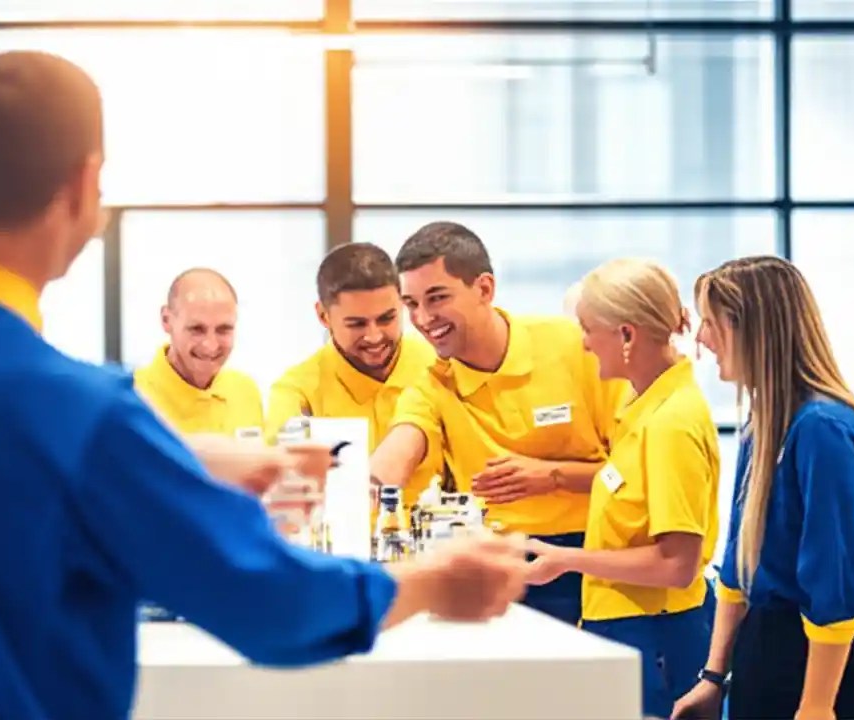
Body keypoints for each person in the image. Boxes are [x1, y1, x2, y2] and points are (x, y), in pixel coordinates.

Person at [0, 51, 535, 719]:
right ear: (85, 187)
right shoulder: (78, 412)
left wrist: (182, 459)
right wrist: (435, 581)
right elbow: (275, 606)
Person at [368, 221, 630, 625]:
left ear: (485, 289)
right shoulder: (434, 382)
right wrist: (369, 482)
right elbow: (400, 447)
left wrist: (553, 476)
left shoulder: (576, 347)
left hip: (596, 561)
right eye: (411, 304)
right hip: (497, 568)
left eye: (437, 298)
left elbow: (635, 477)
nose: (423, 318)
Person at [670, 256, 854, 720]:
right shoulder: (763, 425)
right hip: (767, 645)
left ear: (751, 329)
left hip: (823, 663)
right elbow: (740, 560)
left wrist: (816, 705)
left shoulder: (822, 430)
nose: (701, 339)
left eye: (710, 324)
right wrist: (713, 677)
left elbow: (832, 582)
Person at [527, 258, 719, 719]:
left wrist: (566, 560)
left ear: (627, 335)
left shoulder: (671, 423)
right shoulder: (642, 410)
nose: (584, 343)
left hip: (658, 636)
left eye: (588, 329)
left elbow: (677, 564)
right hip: (628, 629)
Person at [266, 242, 440, 505]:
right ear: (324, 316)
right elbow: (280, 482)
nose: (374, 336)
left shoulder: (438, 367)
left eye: (386, 319)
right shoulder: (297, 391)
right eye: (357, 324)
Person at [134, 267, 264, 437]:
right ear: (166, 320)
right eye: (196, 329)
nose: (210, 345)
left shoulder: (245, 390)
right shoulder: (133, 398)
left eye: (224, 329)